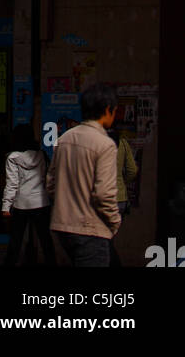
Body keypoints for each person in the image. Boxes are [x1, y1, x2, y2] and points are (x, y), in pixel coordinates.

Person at [46, 84, 120, 267]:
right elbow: (104, 194)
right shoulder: (105, 145)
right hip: (91, 229)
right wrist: (114, 222)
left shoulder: (64, 139)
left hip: (64, 228)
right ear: (107, 110)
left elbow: (51, 185)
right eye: (115, 110)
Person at [1, 124, 56, 267]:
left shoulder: (12, 157)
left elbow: (12, 184)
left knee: (16, 241)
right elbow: (48, 178)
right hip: (41, 203)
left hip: (22, 204)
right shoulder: (42, 155)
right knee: (45, 240)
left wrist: (6, 206)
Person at [108, 122, 138, 268]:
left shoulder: (98, 142)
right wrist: (122, 183)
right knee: (107, 240)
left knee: (103, 241)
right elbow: (132, 170)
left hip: (104, 199)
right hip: (120, 199)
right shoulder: (123, 143)